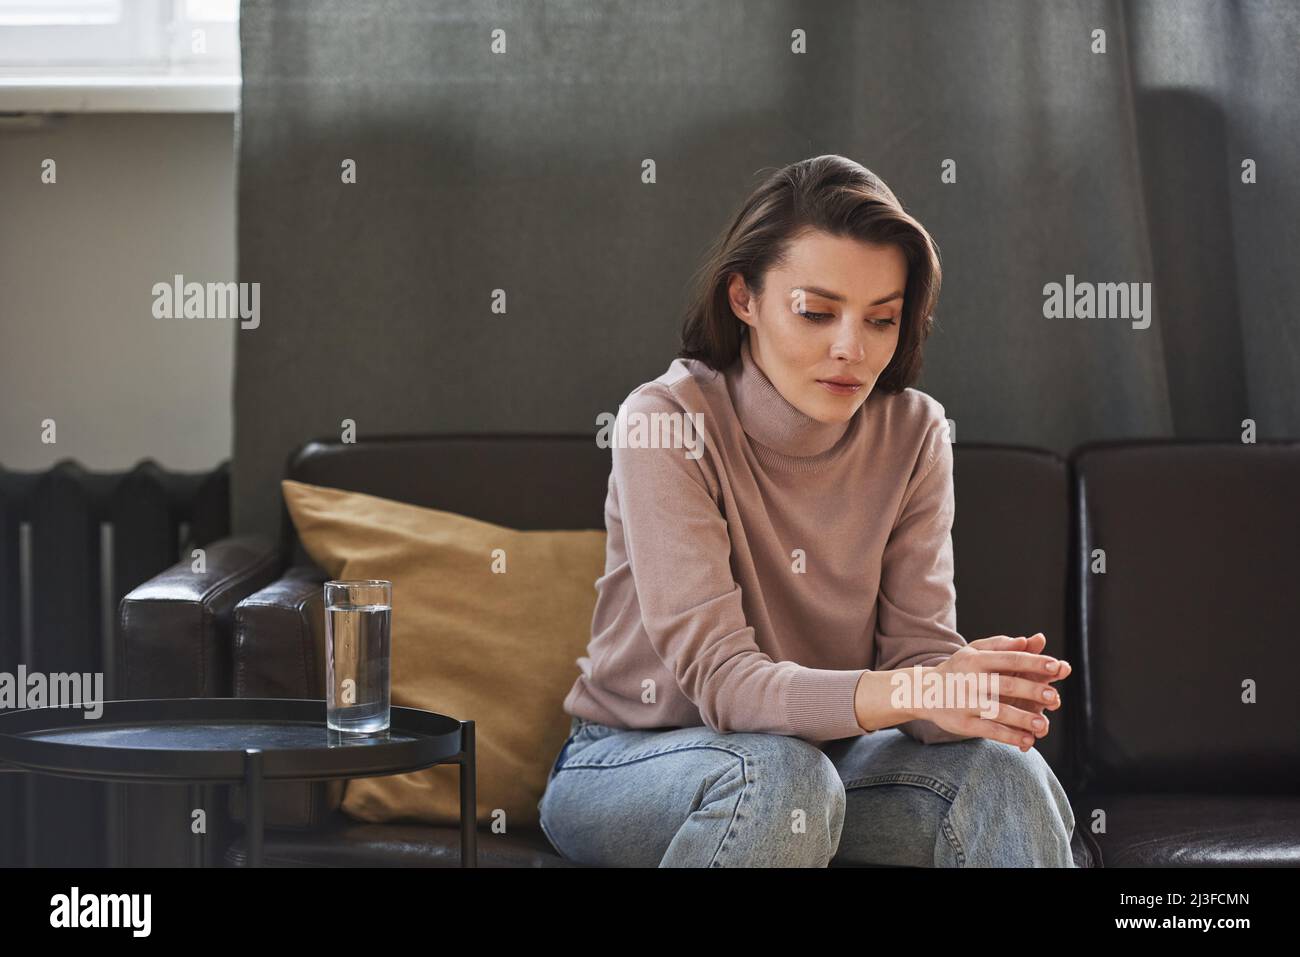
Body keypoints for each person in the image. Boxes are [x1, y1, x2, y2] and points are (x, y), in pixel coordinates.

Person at [538, 154, 1077, 867]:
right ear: (744, 299)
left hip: (826, 767)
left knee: (1005, 774)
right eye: (816, 312)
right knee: (779, 775)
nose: (851, 348)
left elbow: (914, 660)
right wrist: (913, 687)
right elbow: (725, 681)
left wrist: (963, 689)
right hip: (635, 764)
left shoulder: (914, 433)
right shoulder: (664, 421)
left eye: (881, 319)